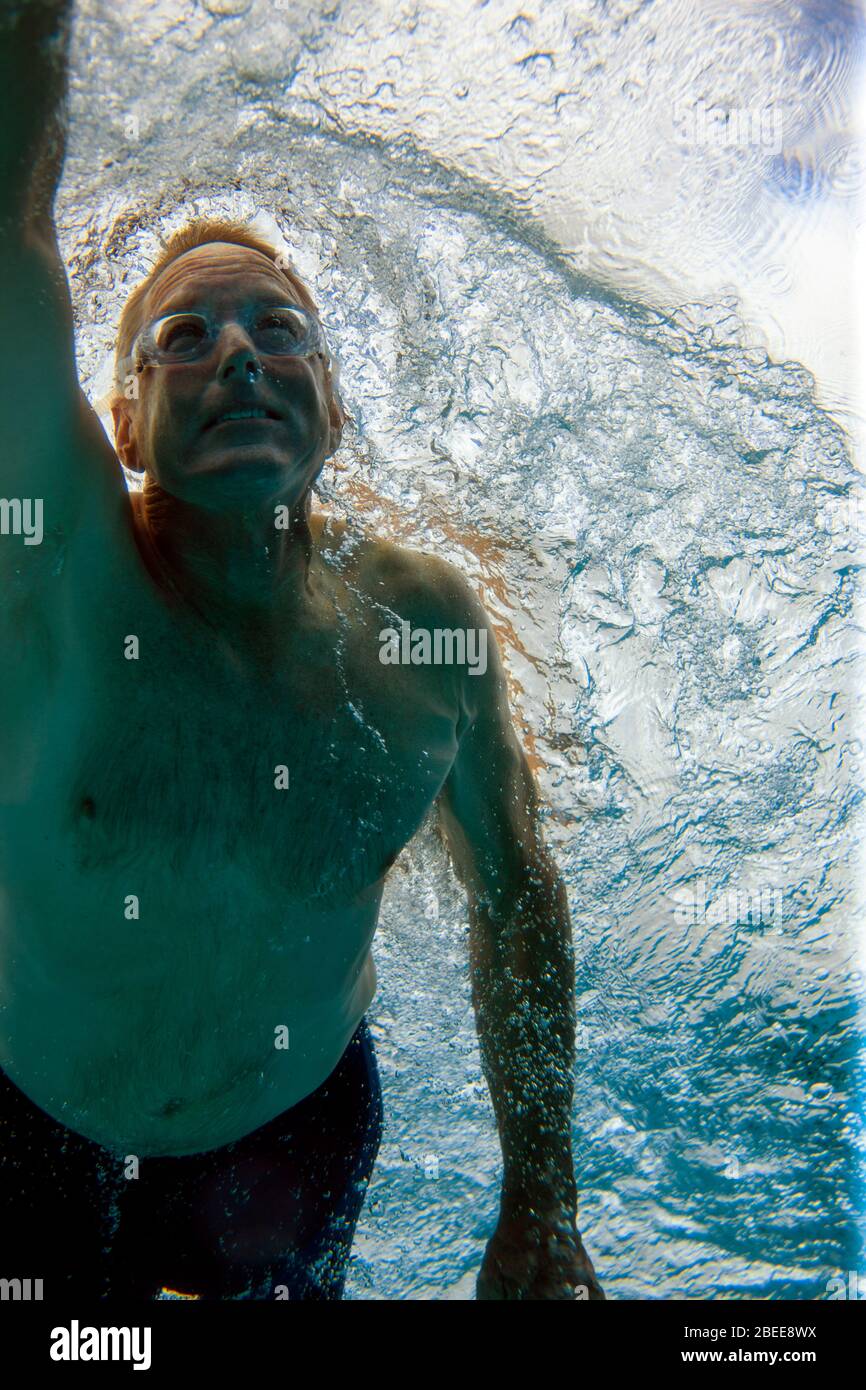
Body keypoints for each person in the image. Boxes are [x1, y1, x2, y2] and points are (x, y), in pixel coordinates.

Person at [0, 0, 604, 1301]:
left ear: (333, 400)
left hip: (294, 1127)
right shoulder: (61, 570)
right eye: (183, 337)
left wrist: (541, 1208)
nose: (239, 358)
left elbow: (517, 900)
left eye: (280, 331)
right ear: (124, 413)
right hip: (29, 1106)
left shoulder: (429, 636)